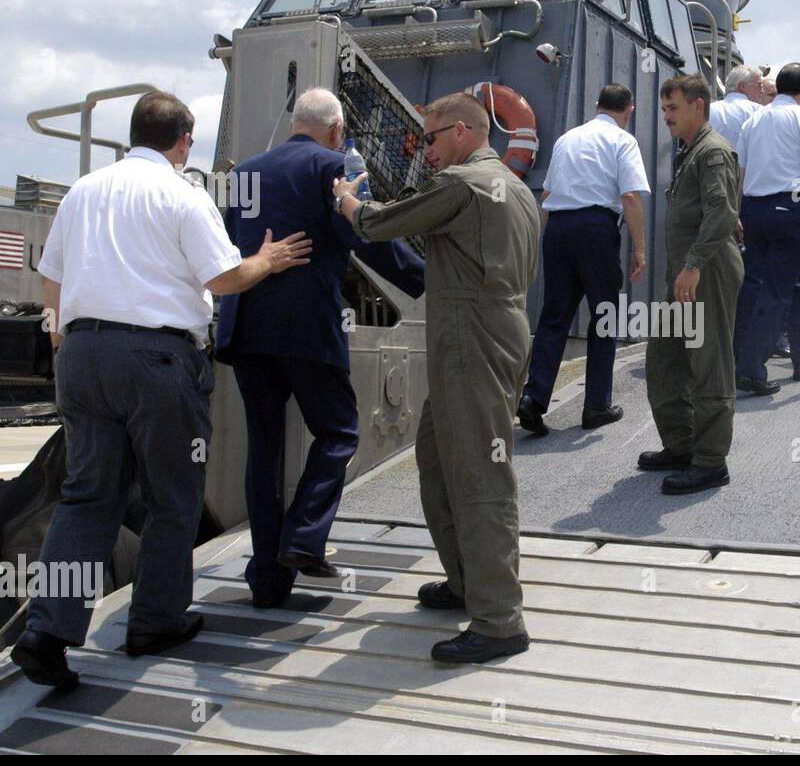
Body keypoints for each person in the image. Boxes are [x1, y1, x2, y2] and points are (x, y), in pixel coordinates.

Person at [13, 92, 312, 690]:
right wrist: (270, 260)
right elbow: (225, 278)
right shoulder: (184, 194)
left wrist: (61, 347)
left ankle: (46, 632)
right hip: (157, 360)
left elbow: (52, 277)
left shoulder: (83, 191)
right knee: (173, 497)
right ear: (183, 140)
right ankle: (154, 621)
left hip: (81, 354)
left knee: (86, 498)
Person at [334, 92, 538, 665]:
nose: (423, 151)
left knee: (478, 472)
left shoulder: (461, 185)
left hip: (471, 337)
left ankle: (499, 620)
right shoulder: (515, 188)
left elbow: (378, 225)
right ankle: (469, 581)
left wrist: (348, 199)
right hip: (494, 328)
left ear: (462, 133)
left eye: (429, 138)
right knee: (437, 456)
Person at [215, 88, 425, 605]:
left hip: (247, 328)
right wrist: (423, 277)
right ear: (335, 130)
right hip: (307, 326)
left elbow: (227, 244)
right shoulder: (334, 167)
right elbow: (366, 232)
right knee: (337, 432)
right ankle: (306, 538)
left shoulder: (244, 174)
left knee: (263, 449)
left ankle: (268, 580)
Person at [517, 84, 648, 436]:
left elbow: (547, 193)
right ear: (629, 110)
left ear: (596, 105)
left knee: (554, 315)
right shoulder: (623, 141)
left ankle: (534, 398)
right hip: (595, 228)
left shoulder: (567, 139)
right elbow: (631, 196)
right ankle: (596, 406)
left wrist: (543, 240)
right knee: (604, 316)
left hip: (558, 227)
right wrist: (639, 248)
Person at [640, 74, 744, 495]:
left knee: (708, 363)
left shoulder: (713, 151)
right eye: (664, 110)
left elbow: (721, 211)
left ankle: (709, 461)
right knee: (665, 358)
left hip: (706, 272)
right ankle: (681, 445)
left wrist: (695, 263)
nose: (667, 117)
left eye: (673, 109)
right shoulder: (690, 151)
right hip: (685, 273)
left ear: (698, 106)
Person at [732, 62, 800, 394]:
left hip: (754, 209)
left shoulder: (753, 119)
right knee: (778, 289)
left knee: (784, 283)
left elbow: (742, 171)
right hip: (789, 209)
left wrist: (737, 211)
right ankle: (750, 367)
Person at [708, 65, 765, 148]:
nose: (762, 91)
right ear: (742, 86)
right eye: (759, 85)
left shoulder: (709, 109)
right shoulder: (759, 111)